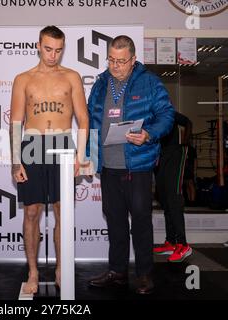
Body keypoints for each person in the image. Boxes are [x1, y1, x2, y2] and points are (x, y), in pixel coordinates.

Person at [86, 35, 175, 295]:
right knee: (115, 221)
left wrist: (148, 133)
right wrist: (91, 158)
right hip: (109, 166)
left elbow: (167, 115)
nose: (115, 66)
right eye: (111, 60)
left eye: (121, 61)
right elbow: (92, 120)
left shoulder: (150, 82)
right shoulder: (101, 83)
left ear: (133, 59)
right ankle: (117, 272)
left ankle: (145, 274)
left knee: (141, 222)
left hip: (138, 165)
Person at [10, 26, 89, 294]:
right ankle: (32, 272)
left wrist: (81, 154)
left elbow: (84, 118)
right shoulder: (23, 78)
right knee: (31, 212)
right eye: (48, 49)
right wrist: (14, 160)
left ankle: (60, 269)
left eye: (58, 50)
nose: (53, 55)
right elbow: (16, 121)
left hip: (63, 144)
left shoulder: (72, 77)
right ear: (38, 45)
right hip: (31, 144)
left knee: (61, 212)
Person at [154, 112, 193, 262]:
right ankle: (171, 242)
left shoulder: (166, 110)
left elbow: (188, 122)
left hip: (175, 154)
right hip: (160, 155)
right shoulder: (148, 113)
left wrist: (185, 143)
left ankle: (183, 244)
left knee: (173, 199)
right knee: (164, 199)